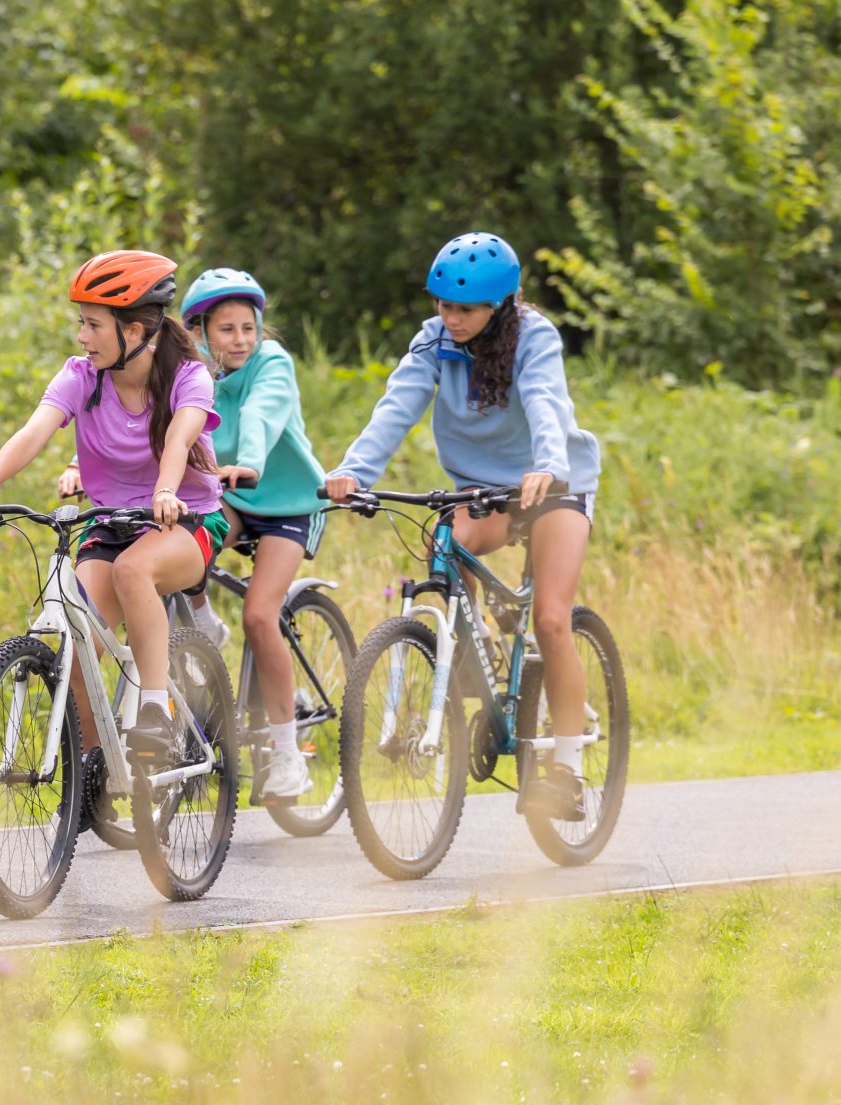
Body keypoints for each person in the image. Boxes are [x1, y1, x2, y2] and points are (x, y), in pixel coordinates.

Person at [322, 231, 603, 819]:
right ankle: (474, 666)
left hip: (554, 485)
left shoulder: (534, 337)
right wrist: (353, 471)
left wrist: (548, 466)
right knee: (442, 545)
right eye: (442, 304)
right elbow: (396, 407)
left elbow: (545, 400)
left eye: (465, 308)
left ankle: (568, 770)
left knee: (552, 618)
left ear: (502, 304)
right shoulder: (434, 341)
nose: (450, 318)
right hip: (486, 491)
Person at [0, 250, 229, 768]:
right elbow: (32, 432)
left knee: (135, 571)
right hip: (111, 524)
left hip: (183, 523)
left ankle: (156, 711)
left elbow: (182, 438)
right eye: (82, 322)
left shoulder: (188, 377)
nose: (82, 336)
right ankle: (95, 771)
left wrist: (166, 492)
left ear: (136, 330)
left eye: (93, 324)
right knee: (76, 648)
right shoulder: (81, 376)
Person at [182, 266, 329, 801]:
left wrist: (247, 461)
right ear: (199, 332)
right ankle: (203, 622)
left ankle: (288, 756)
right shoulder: (190, 372)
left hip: (287, 500)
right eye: (227, 329)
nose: (241, 339)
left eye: (249, 327)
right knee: (184, 549)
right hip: (231, 496)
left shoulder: (273, 362)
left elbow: (265, 414)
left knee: (260, 613)